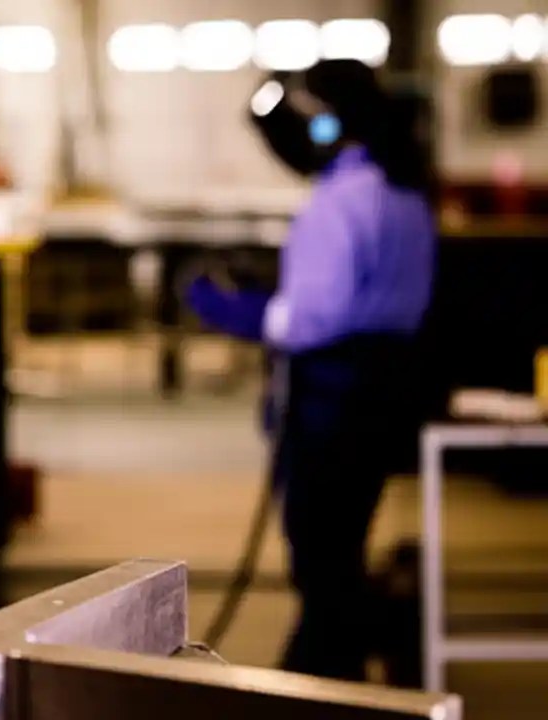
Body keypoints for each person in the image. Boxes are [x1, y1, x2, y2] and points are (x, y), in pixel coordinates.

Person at [186, 59, 435, 681]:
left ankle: (327, 674)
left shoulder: (340, 202)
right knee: (341, 544)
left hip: (331, 399)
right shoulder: (403, 191)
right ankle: (351, 653)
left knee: (320, 556)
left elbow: (309, 321)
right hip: (382, 387)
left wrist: (232, 309)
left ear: (325, 126)